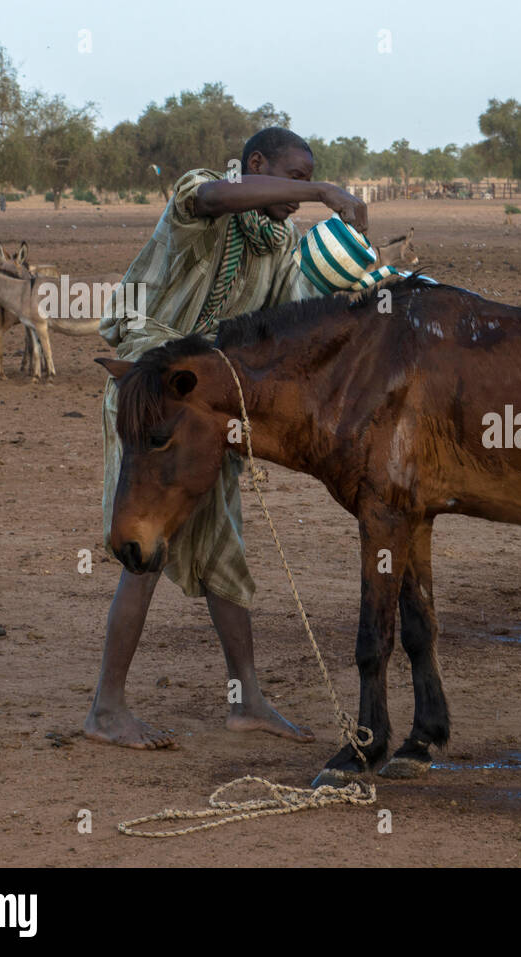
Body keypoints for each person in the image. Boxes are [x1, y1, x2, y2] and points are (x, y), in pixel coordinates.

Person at [86, 127, 367, 749]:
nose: (298, 197)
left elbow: (285, 327)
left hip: (207, 407)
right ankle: (107, 709)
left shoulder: (280, 246)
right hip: (148, 393)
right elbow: (215, 197)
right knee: (145, 548)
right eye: (294, 179)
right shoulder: (201, 200)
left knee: (222, 548)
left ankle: (246, 700)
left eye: (306, 182)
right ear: (256, 165)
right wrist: (325, 191)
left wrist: (356, 271)